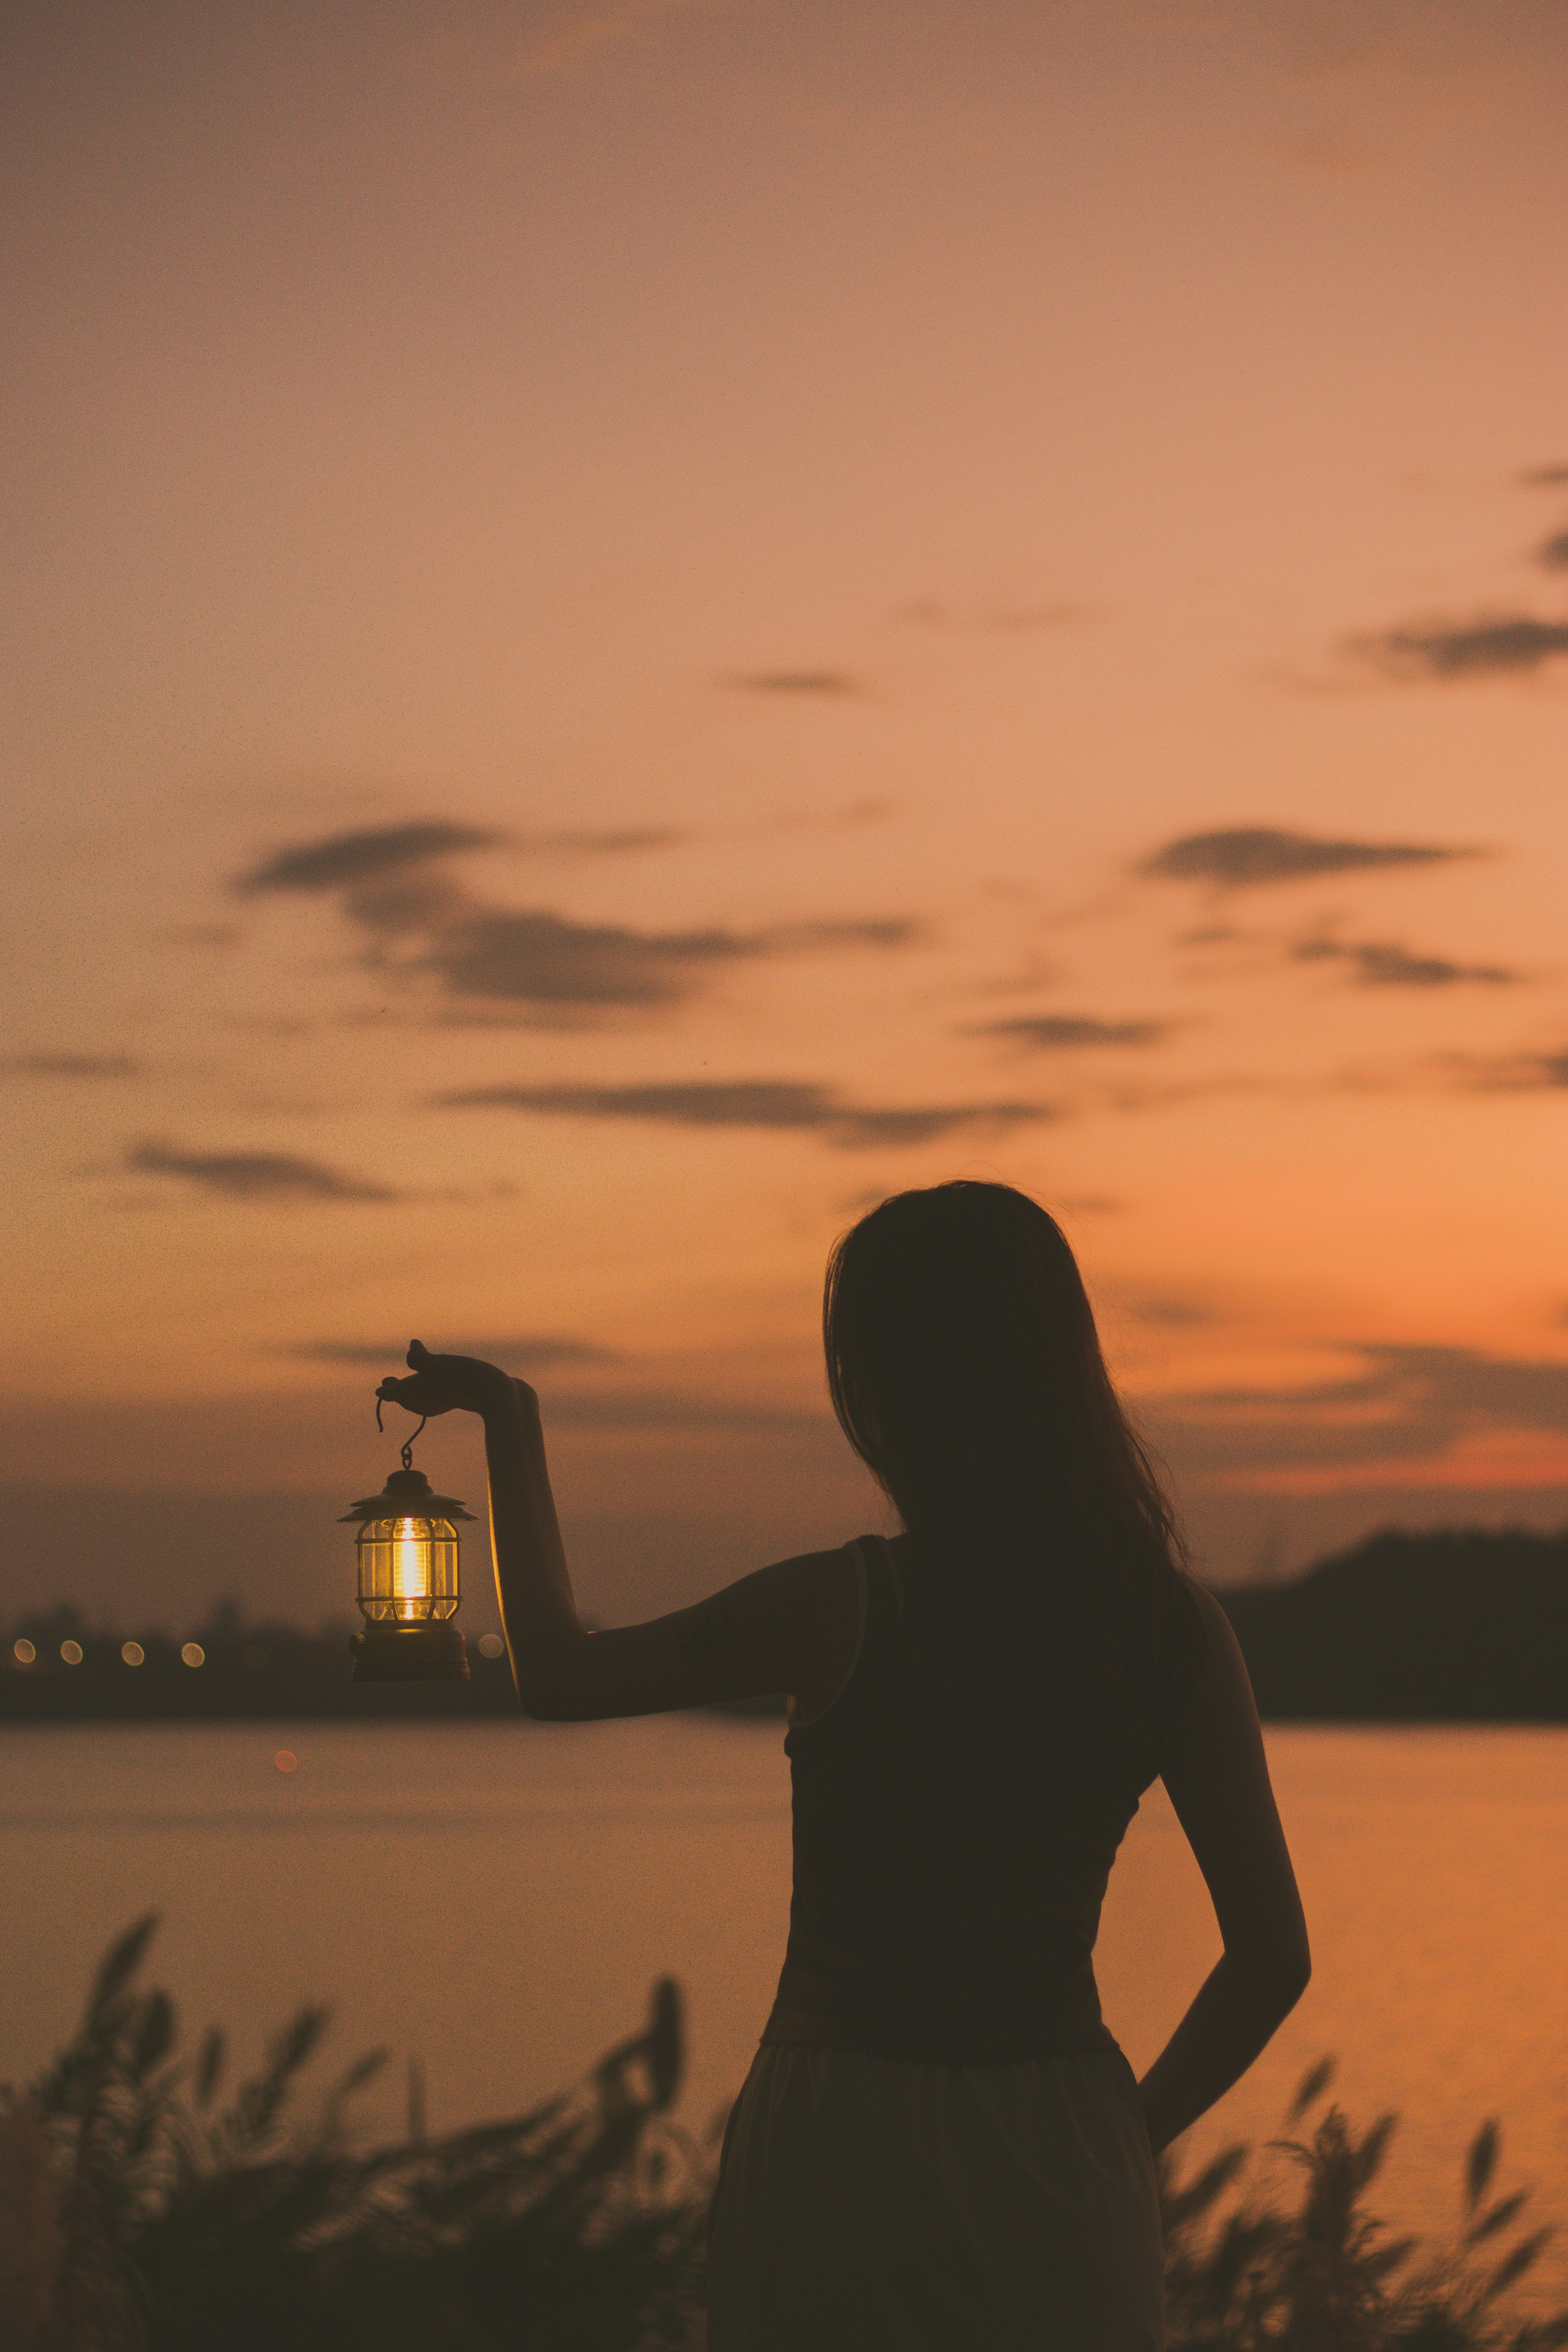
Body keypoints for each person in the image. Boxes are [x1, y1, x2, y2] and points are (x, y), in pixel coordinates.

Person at [377, 1180, 1309, 2350]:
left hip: (845, 2135)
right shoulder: (1168, 1629)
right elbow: (1273, 1957)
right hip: (1062, 2139)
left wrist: (512, 1426)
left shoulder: (844, 1607)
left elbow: (559, 1676)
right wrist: (1125, 2132)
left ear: (891, 1384)